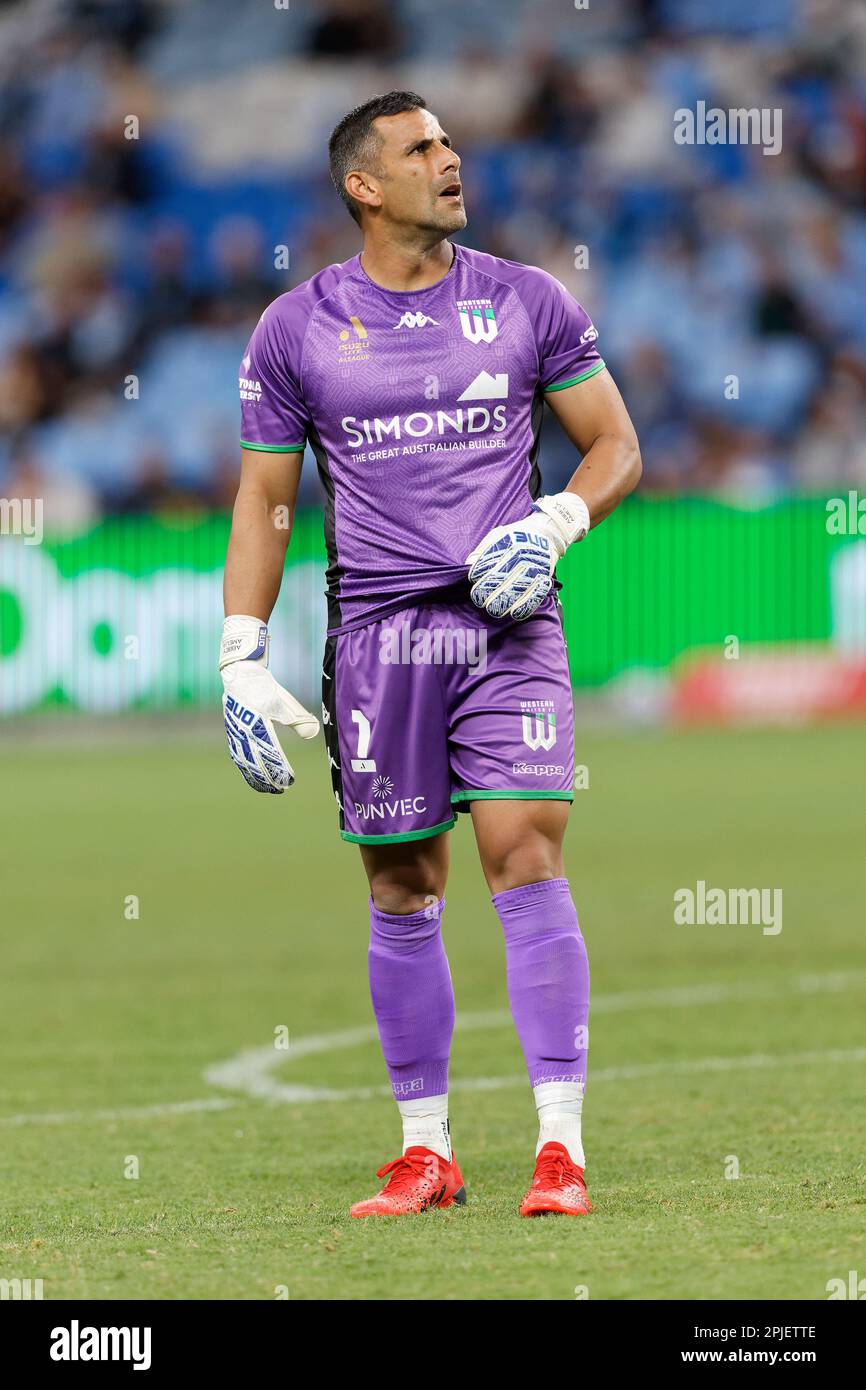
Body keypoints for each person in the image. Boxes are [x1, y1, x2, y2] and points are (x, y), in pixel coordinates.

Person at [220, 91, 641, 1218]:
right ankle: (426, 1151)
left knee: (523, 850)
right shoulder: (295, 328)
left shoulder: (525, 299)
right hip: (377, 638)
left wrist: (555, 522)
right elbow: (264, 500)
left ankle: (559, 1150)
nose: (449, 160)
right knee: (403, 882)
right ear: (364, 184)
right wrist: (239, 653)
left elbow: (613, 444)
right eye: (420, 149)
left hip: (507, 625)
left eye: (449, 141)